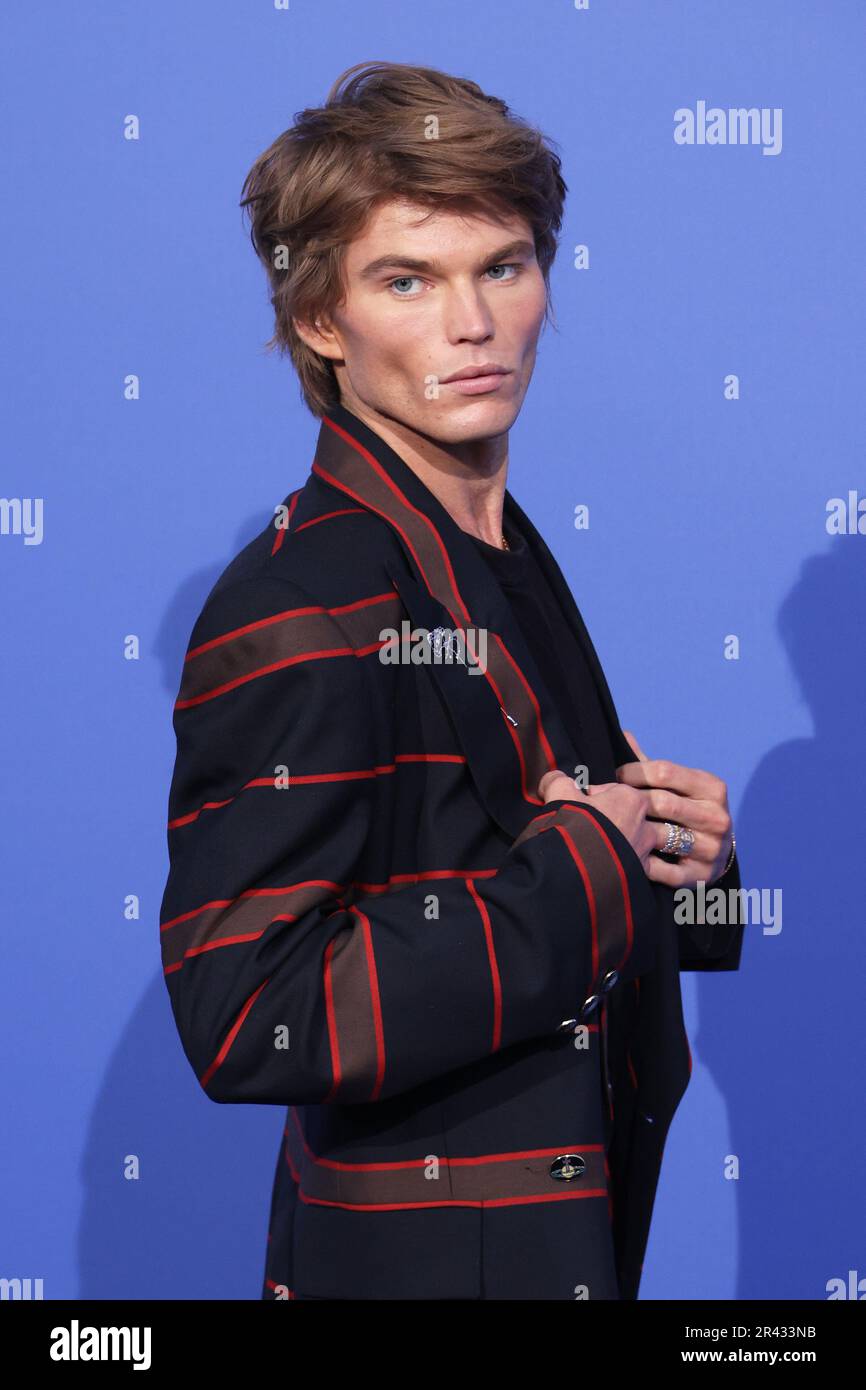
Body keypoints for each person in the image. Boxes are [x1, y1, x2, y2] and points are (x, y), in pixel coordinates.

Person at [159, 60, 743, 1301]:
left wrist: (684, 874)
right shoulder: (297, 599)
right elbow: (243, 1008)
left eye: (503, 267)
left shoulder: (502, 550)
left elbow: (523, 864)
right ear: (322, 321)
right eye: (406, 280)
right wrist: (585, 870)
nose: (471, 324)